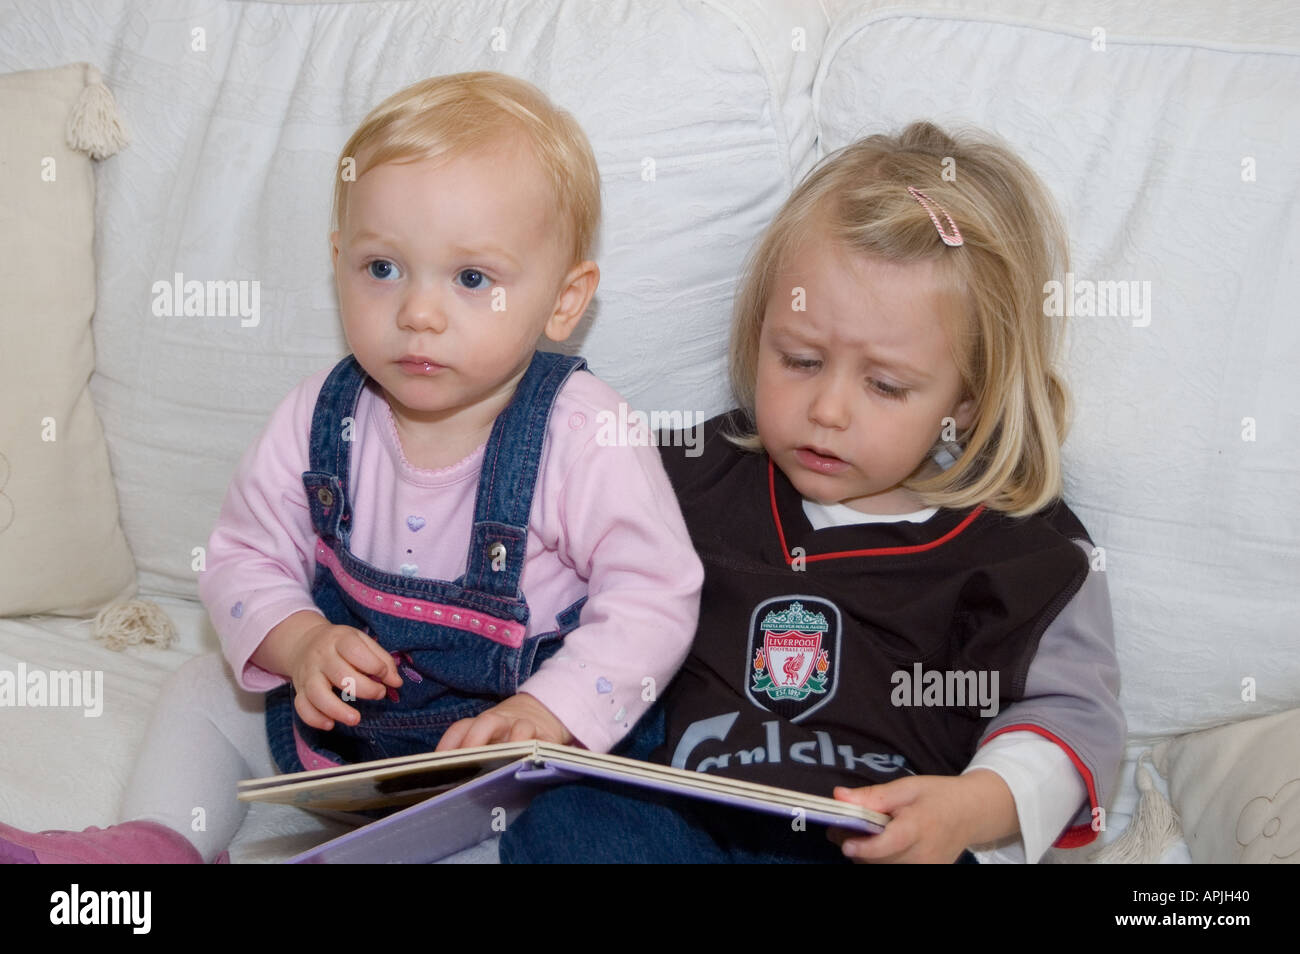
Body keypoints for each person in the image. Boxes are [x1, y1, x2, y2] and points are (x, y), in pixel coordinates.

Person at [0, 71, 702, 864]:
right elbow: (243, 557)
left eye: (472, 279)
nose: (418, 313)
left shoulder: (585, 434)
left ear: (565, 300)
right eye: (382, 268)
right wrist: (299, 641)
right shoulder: (317, 417)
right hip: (343, 744)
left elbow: (655, 594)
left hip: (509, 770)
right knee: (202, 694)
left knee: (581, 827)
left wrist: (552, 711)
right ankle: (157, 846)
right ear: (339, 262)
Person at [499, 121, 1124, 864]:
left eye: (886, 385)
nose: (828, 410)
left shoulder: (1025, 552)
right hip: (682, 819)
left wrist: (969, 810)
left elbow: (1073, 717)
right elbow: (552, 565)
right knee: (566, 825)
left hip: (868, 842)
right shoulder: (682, 475)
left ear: (968, 398)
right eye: (798, 360)